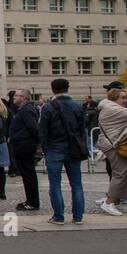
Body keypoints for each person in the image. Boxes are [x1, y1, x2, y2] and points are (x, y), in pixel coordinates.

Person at [37, 77, 88, 225]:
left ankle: (59, 216)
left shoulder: (48, 107)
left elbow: (43, 131)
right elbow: (82, 130)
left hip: (54, 147)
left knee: (55, 183)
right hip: (73, 148)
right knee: (77, 184)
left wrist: (45, 148)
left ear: (53, 89)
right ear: (68, 88)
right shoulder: (77, 106)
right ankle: (78, 216)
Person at [95, 87, 127, 216]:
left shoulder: (112, 108)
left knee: (125, 173)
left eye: (126, 98)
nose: (126, 100)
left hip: (115, 143)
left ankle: (119, 200)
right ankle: (109, 202)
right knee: (120, 174)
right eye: (123, 98)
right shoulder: (111, 108)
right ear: (114, 99)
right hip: (112, 145)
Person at [8, 88, 41, 211]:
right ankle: (30, 200)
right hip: (21, 144)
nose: (14, 97)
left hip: (25, 145)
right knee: (27, 174)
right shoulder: (22, 110)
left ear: (24, 98)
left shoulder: (27, 110)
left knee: (29, 174)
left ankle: (32, 202)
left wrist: (35, 143)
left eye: (16, 95)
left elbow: (33, 128)